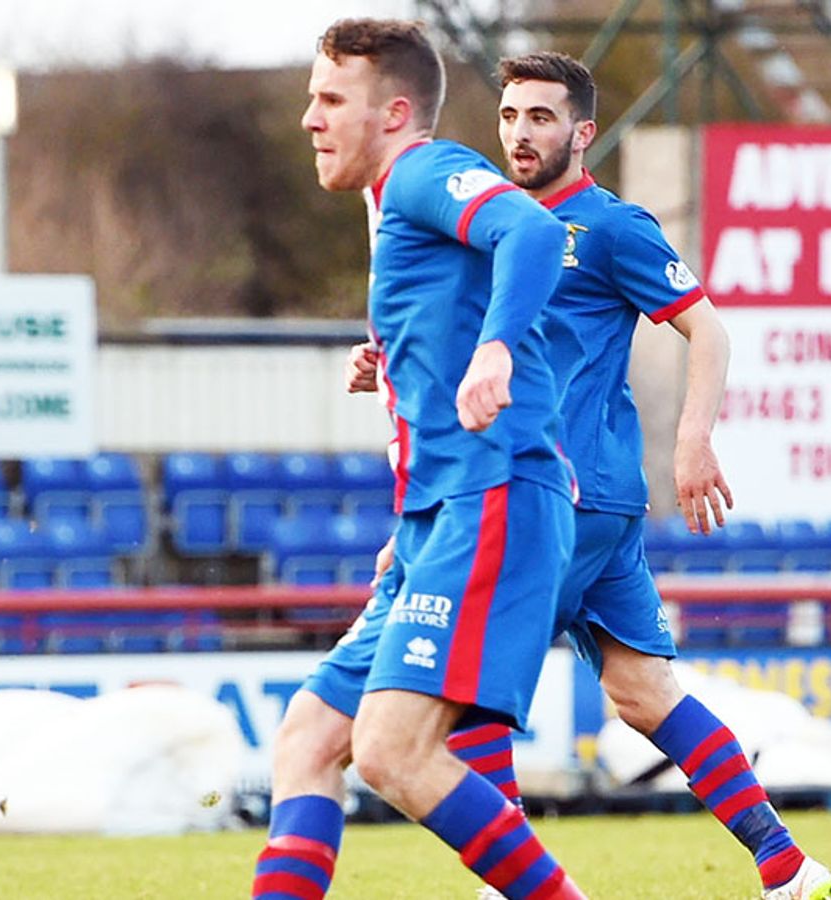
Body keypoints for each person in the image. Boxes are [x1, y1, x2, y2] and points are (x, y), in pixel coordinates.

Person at [256, 48, 831, 900]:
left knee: (452, 701)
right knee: (644, 694)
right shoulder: (494, 229)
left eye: (541, 117)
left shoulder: (604, 227)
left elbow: (708, 331)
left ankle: (511, 877)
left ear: (583, 131)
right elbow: (469, 339)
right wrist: (389, 360)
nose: (520, 133)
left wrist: (691, 440)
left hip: (557, 488)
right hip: (557, 495)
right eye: (509, 116)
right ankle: (786, 863)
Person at [251, 19, 585, 900]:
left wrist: (497, 349)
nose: (308, 120)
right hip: (438, 514)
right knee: (308, 740)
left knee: (391, 750)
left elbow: (535, 234)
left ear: (395, 112)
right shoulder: (392, 204)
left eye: (330, 99)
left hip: (496, 492)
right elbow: (448, 318)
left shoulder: (423, 171)